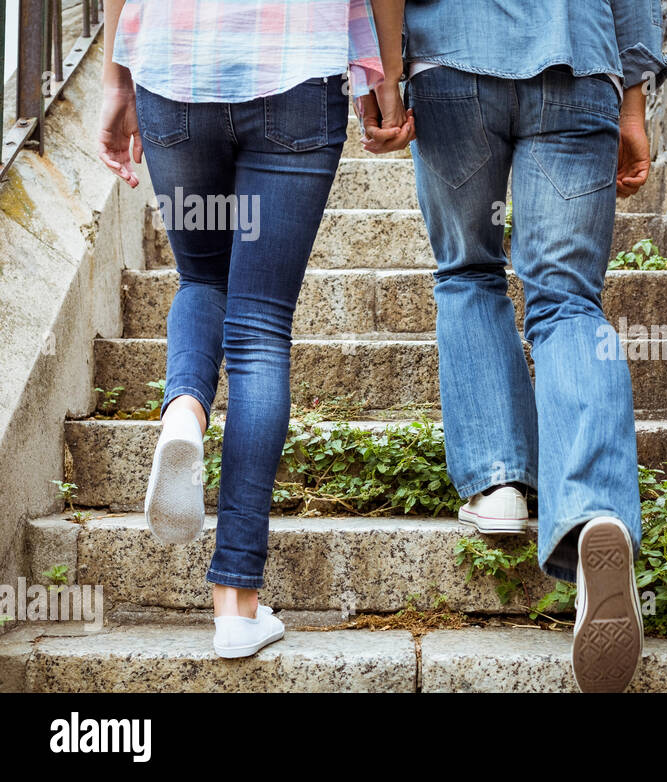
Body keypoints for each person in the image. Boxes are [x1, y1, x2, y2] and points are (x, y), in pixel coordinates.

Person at [361, 0, 667, 692]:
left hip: (454, 61)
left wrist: (384, 78)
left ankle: (500, 480)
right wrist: (632, 105)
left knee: (469, 269)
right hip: (580, 61)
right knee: (566, 300)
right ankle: (594, 503)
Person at [97, 0, 413, 658]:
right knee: (260, 327)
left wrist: (116, 80)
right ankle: (236, 604)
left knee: (201, 278)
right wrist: (385, 75)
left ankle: (185, 409)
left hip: (174, 66)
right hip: (296, 68)